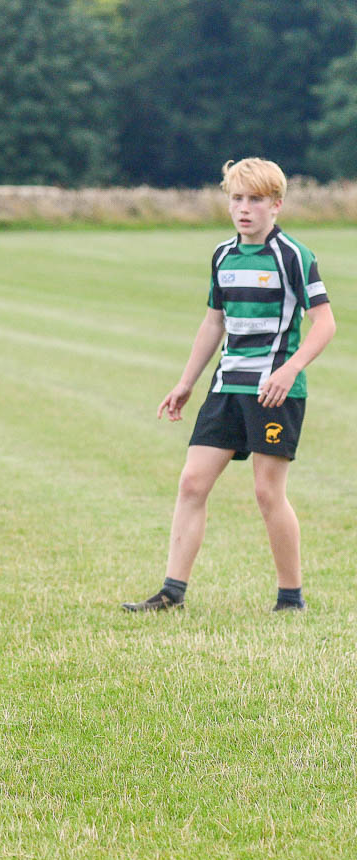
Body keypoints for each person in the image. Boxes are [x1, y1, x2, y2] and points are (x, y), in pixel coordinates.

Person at [123, 158, 336, 614]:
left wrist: (290, 369)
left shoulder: (293, 256)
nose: (244, 209)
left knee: (267, 493)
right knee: (192, 482)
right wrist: (186, 382)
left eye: (255, 200)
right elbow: (213, 322)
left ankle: (290, 598)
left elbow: (324, 323)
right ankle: (172, 593)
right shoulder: (222, 255)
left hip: (274, 392)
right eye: (236, 199)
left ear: (276, 205)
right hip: (226, 388)